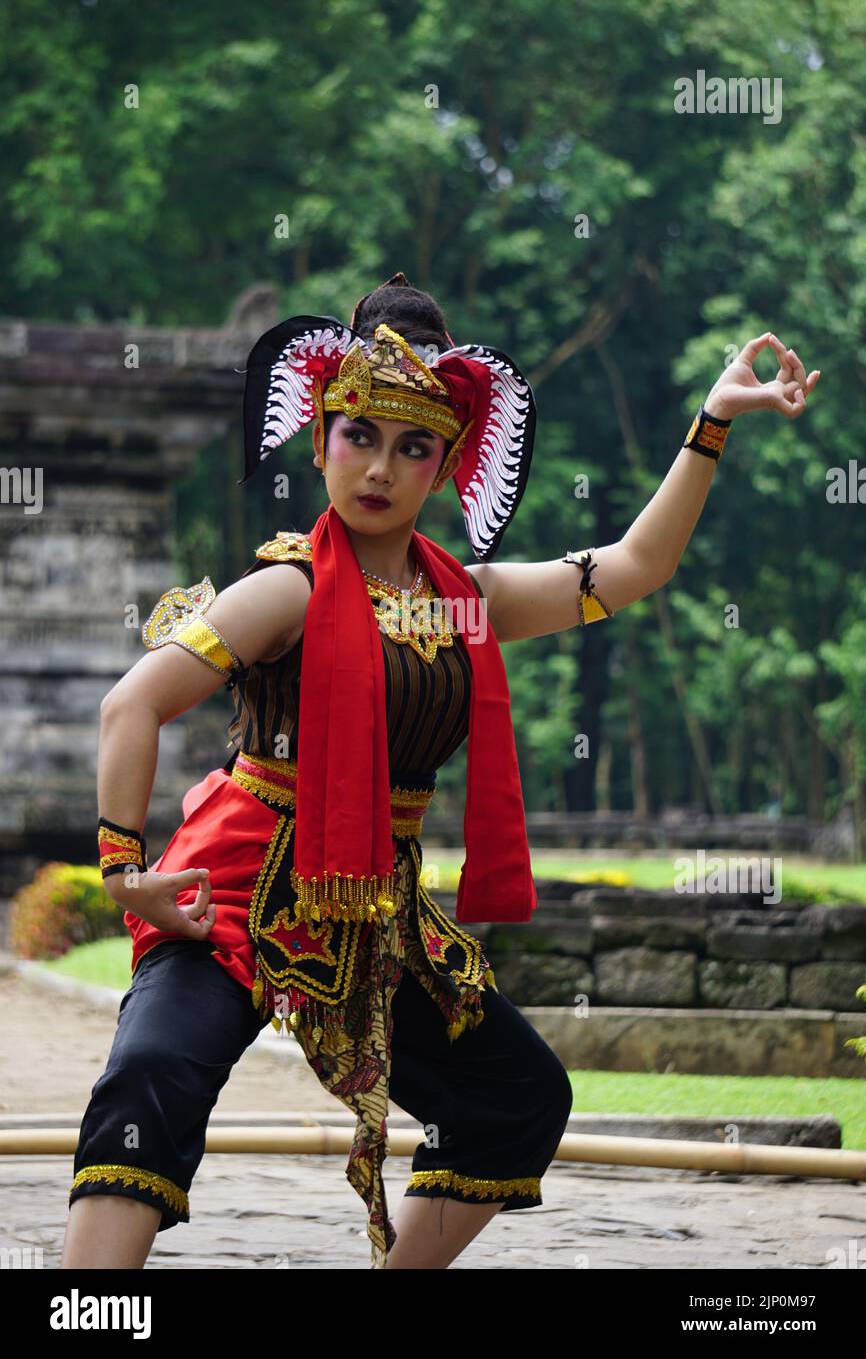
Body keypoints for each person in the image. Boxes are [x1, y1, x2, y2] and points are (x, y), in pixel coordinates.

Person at [61, 274, 819, 1270]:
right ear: (323, 435)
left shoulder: (467, 601)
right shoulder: (285, 588)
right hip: (236, 894)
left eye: (411, 446)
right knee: (151, 1073)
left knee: (517, 1096)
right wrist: (125, 873)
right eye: (359, 437)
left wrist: (711, 418)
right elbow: (133, 703)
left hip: (373, 917)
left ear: (445, 460)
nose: (378, 468)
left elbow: (633, 568)